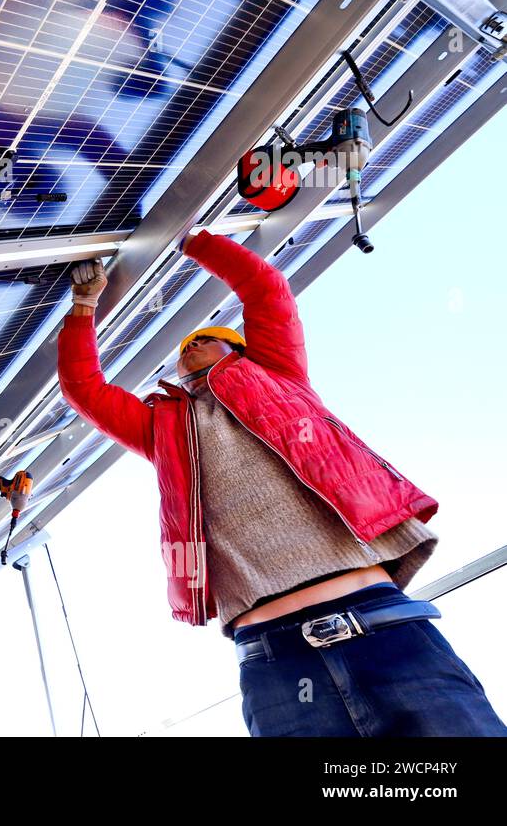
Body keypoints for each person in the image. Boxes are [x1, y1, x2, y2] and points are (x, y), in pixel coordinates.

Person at [60, 228, 505, 736]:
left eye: (208, 337)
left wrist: (185, 238)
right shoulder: (161, 428)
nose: (194, 343)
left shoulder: (278, 371)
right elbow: (85, 389)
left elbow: (265, 289)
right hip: (273, 661)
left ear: (240, 349)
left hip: (382, 628)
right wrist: (82, 306)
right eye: (187, 345)